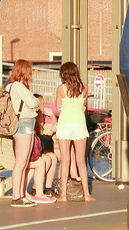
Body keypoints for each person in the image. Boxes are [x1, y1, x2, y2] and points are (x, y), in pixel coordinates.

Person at [55, 61, 94, 202]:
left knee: (65, 160)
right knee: (81, 161)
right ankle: (87, 194)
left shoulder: (61, 89)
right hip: (79, 124)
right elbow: (82, 107)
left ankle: (63, 195)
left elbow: (58, 106)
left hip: (65, 124)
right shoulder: (84, 88)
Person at [6, 59, 40, 208]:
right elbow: (33, 103)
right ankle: (17, 196)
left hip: (21, 124)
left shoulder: (10, 86)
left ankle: (21, 193)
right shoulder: (19, 86)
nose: (31, 74)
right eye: (29, 71)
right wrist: (35, 102)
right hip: (24, 125)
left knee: (24, 162)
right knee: (21, 162)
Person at [26, 98, 60, 204]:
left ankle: (47, 188)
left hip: (38, 149)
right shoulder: (33, 118)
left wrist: (52, 116)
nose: (44, 105)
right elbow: (40, 139)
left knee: (53, 157)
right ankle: (36, 189)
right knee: (46, 160)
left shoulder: (40, 118)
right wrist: (50, 133)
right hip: (34, 150)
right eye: (42, 103)